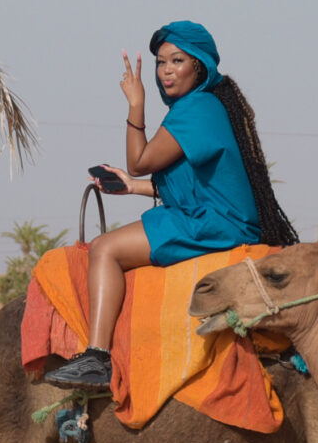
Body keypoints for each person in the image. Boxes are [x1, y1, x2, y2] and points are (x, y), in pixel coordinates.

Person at [43, 20, 296, 392]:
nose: (166, 71)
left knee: (105, 249)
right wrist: (134, 188)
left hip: (215, 224)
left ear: (199, 65)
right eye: (161, 62)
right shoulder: (206, 106)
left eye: (177, 61)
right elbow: (195, 187)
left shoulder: (196, 109)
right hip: (212, 215)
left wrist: (135, 103)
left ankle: (97, 357)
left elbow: (139, 160)